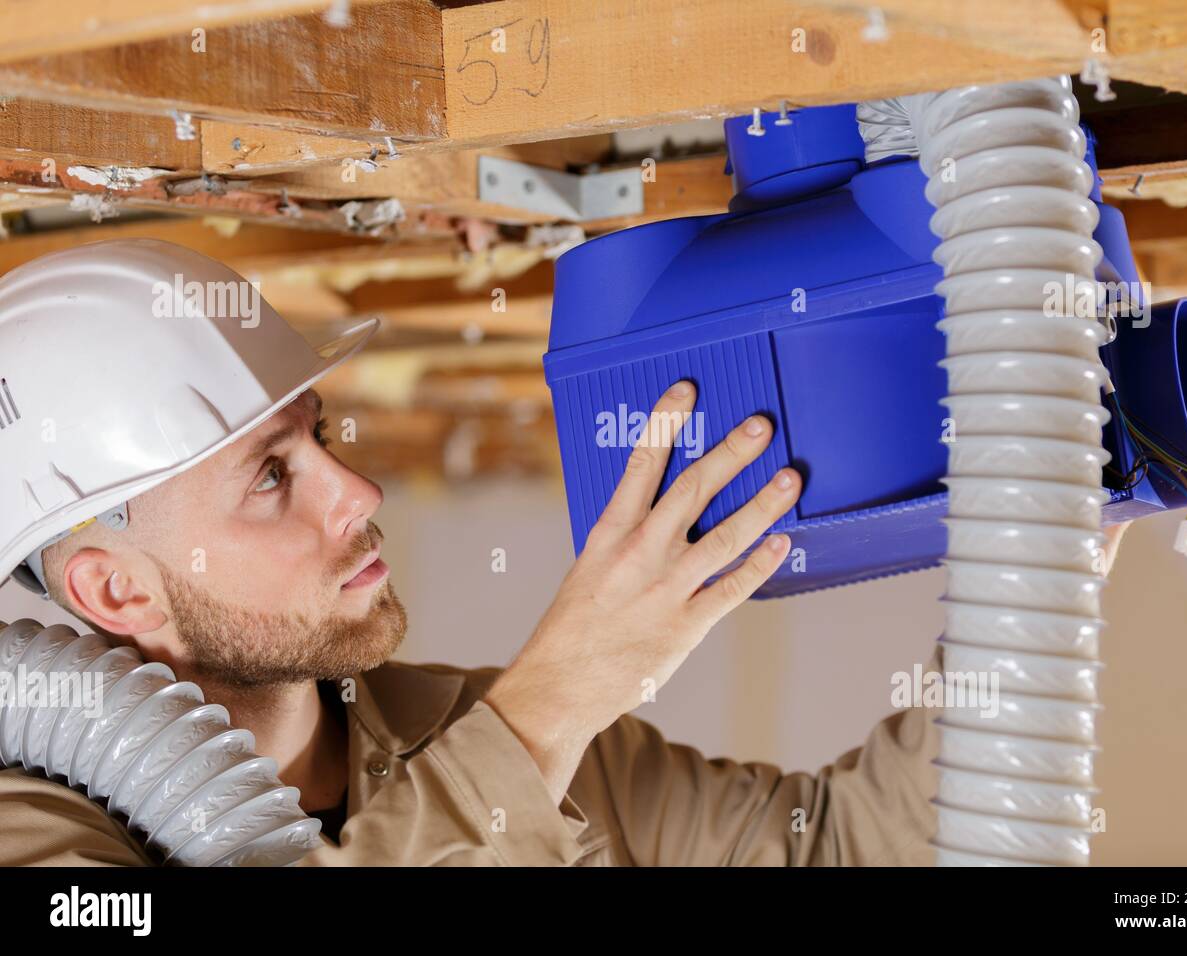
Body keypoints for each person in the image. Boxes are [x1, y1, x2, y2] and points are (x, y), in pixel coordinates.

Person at [0, 239, 1126, 866]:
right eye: (269, 477)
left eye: (320, 436)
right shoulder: (38, 834)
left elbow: (849, 851)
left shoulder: (487, 737)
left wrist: (1049, 552)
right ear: (114, 588)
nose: (357, 490)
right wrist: (550, 703)